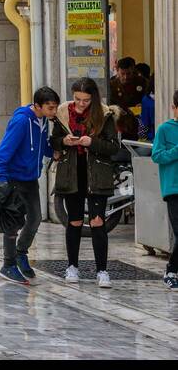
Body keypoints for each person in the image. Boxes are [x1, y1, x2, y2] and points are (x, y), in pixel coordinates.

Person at [53, 77, 122, 288]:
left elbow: (113, 147)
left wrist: (92, 142)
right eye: (78, 99)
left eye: (86, 100)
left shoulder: (105, 115)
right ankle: (72, 266)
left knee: (97, 222)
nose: (81, 104)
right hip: (71, 174)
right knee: (73, 221)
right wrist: (63, 141)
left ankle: (102, 271)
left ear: (93, 98)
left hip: (97, 175)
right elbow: (53, 141)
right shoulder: (63, 114)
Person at [0, 86, 59, 284]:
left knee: (35, 218)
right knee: (12, 223)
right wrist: (2, 179)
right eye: (50, 108)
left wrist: (53, 151)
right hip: (13, 178)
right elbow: (4, 150)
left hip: (30, 178)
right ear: (37, 106)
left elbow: (41, 146)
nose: (54, 112)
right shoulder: (21, 121)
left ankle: (21, 253)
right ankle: (8, 265)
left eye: (55, 107)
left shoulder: (43, 121)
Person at [150, 90, 178, 289]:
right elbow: (157, 155)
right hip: (173, 188)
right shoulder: (164, 129)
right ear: (174, 108)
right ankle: (171, 270)